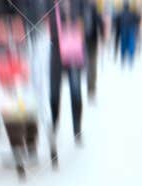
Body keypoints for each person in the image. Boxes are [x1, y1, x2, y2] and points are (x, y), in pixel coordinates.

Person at [48, 0, 90, 144]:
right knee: (54, 92)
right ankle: (54, 124)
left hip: (74, 50)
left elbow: (88, 21)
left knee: (75, 90)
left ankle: (77, 130)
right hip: (55, 50)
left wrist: (79, 25)